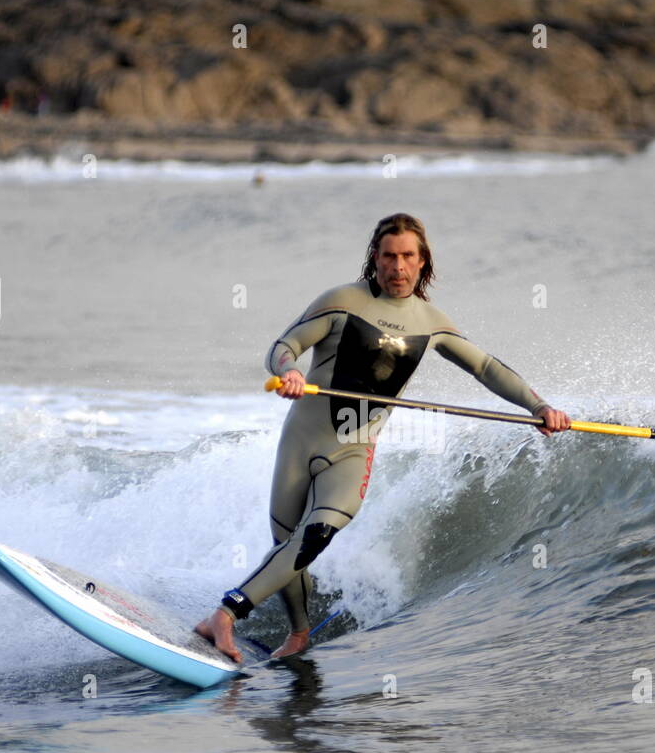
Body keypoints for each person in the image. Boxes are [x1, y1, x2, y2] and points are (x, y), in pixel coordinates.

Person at [193, 213, 570, 662]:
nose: (397, 266)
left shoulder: (430, 322)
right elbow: (283, 345)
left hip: (354, 448)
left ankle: (225, 615)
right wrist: (289, 371)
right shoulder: (341, 301)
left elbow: (485, 368)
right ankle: (298, 635)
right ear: (375, 258)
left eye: (407, 256)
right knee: (286, 543)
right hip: (301, 441)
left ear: (422, 260)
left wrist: (540, 407)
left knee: (315, 535)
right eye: (389, 256)